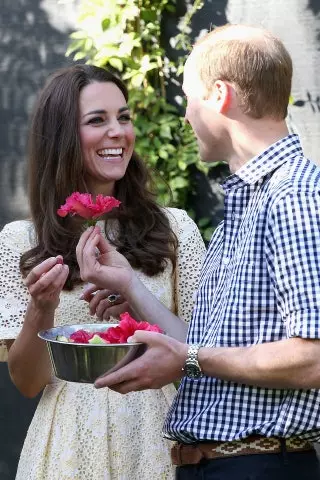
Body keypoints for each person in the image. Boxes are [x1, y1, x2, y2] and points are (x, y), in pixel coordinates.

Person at [75, 24, 320, 480]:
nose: (185, 116)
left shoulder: (294, 197)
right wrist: (130, 284)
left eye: (189, 98)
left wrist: (188, 359)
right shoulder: (250, 201)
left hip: (261, 468)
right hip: (220, 467)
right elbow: (205, 348)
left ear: (220, 95)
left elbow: (313, 357)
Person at [0, 64, 206, 479]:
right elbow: (27, 383)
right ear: (63, 137)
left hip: (159, 437)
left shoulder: (175, 229)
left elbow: (206, 349)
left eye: (124, 117)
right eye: (98, 120)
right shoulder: (20, 241)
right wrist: (42, 307)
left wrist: (136, 299)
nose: (119, 132)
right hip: (67, 446)